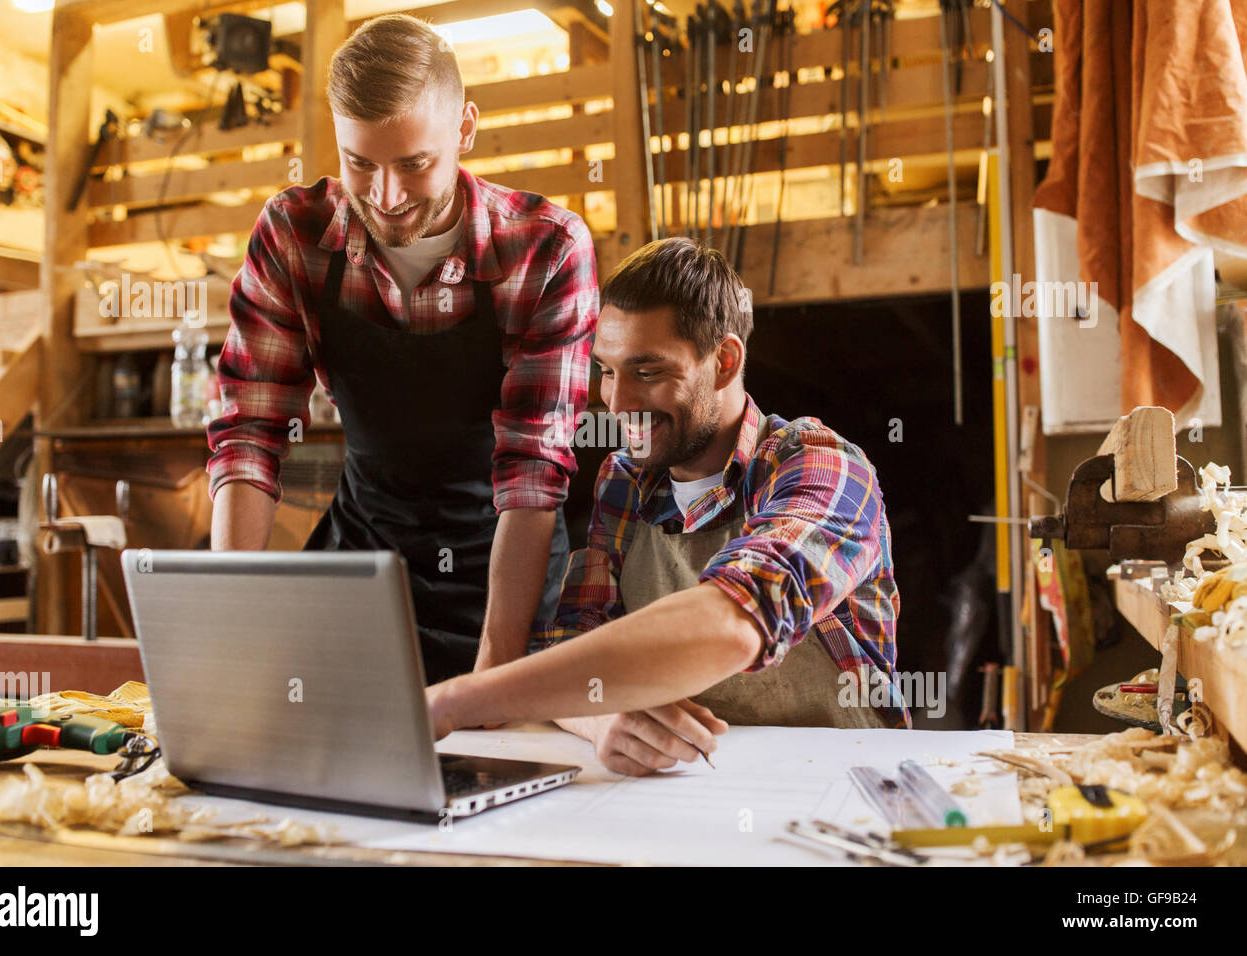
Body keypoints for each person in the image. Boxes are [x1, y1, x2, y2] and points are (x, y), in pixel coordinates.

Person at [206, 15, 598, 683]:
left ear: (465, 130)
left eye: (415, 164)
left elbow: (533, 472)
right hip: (363, 556)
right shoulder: (293, 235)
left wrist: (493, 679)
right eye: (360, 163)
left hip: (506, 566)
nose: (385, 197)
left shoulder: (546, 249)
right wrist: (229, 628)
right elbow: (250, 432)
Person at [426, 237, 908, 774]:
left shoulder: (823, 468)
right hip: (686, 790)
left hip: (845, 790)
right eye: (607, 371)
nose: (618, 402)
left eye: (648, 372)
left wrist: (458, 701)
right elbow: (569, 642)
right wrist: (600, 715)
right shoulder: (624, 483)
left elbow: (735, 618)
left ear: (724, 362)